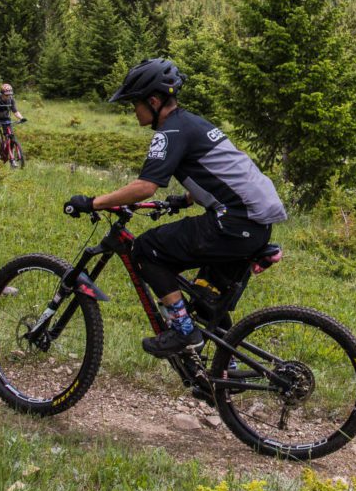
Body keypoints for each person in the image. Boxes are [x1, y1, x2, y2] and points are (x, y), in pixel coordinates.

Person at [64, 58, 287, 357]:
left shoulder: (170, 131)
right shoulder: (192, 122)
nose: (134, 111)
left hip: (236, 222)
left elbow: (145, 186)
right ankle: (224, 371)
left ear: (154, 101)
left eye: (136, 104)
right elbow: (218, 174)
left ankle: (183, 332)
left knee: (146, 250)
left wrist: (93, 202)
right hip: (253, 223)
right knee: (207, 300)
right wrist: (184, 200)